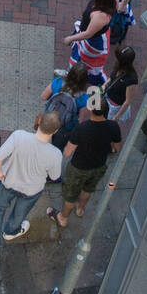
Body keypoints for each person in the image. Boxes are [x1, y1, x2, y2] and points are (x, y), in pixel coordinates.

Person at [0, 111, 62, 261]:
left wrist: (0, 174)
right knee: (20, 212)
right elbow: (54, 177)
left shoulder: (19, 136)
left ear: (39, 122)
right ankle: (11, 231)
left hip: (9, 182)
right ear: (56, 131)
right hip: (31, 190)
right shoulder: (55, 154)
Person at [47, 93, 121, 228]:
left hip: (78, 167)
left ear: (92, 109)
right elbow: (117, 148)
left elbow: (68, 152)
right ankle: (80, 209)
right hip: (99, 166)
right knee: (88, 189)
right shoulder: (113, 126)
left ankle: (63, 218)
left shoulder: (82, 128)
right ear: (106, 111)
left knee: (71, 194)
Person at [63, 0, 116, 86]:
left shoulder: (100, 16)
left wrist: (70, 38)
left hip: (92, 42)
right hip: (87, 35)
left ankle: (104, 85)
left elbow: (88, 34)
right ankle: (72, 73)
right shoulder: (107, 3)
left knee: (90, 65)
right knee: (79, 55)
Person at [105, 47, 138, 122]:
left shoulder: (132, 79)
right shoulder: (118, 66)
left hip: (114, 108)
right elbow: (112, 78)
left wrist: (116, 116)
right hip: (107, 99)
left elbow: (127, 101)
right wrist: (104, 85)